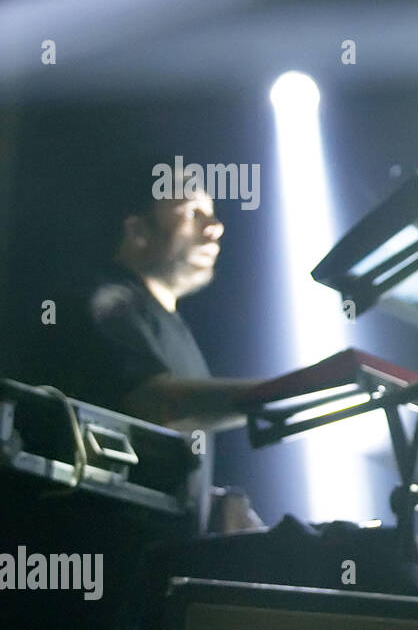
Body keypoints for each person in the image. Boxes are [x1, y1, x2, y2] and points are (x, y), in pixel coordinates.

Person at [37, 159, 269, 535]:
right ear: (137, 230)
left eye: (211, 214)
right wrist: (277, 395)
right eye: (193, 212)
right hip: (105, 568)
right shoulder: (104, 301)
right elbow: (153, 405)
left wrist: (212, 504)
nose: (214, 228)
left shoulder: (170, 328)